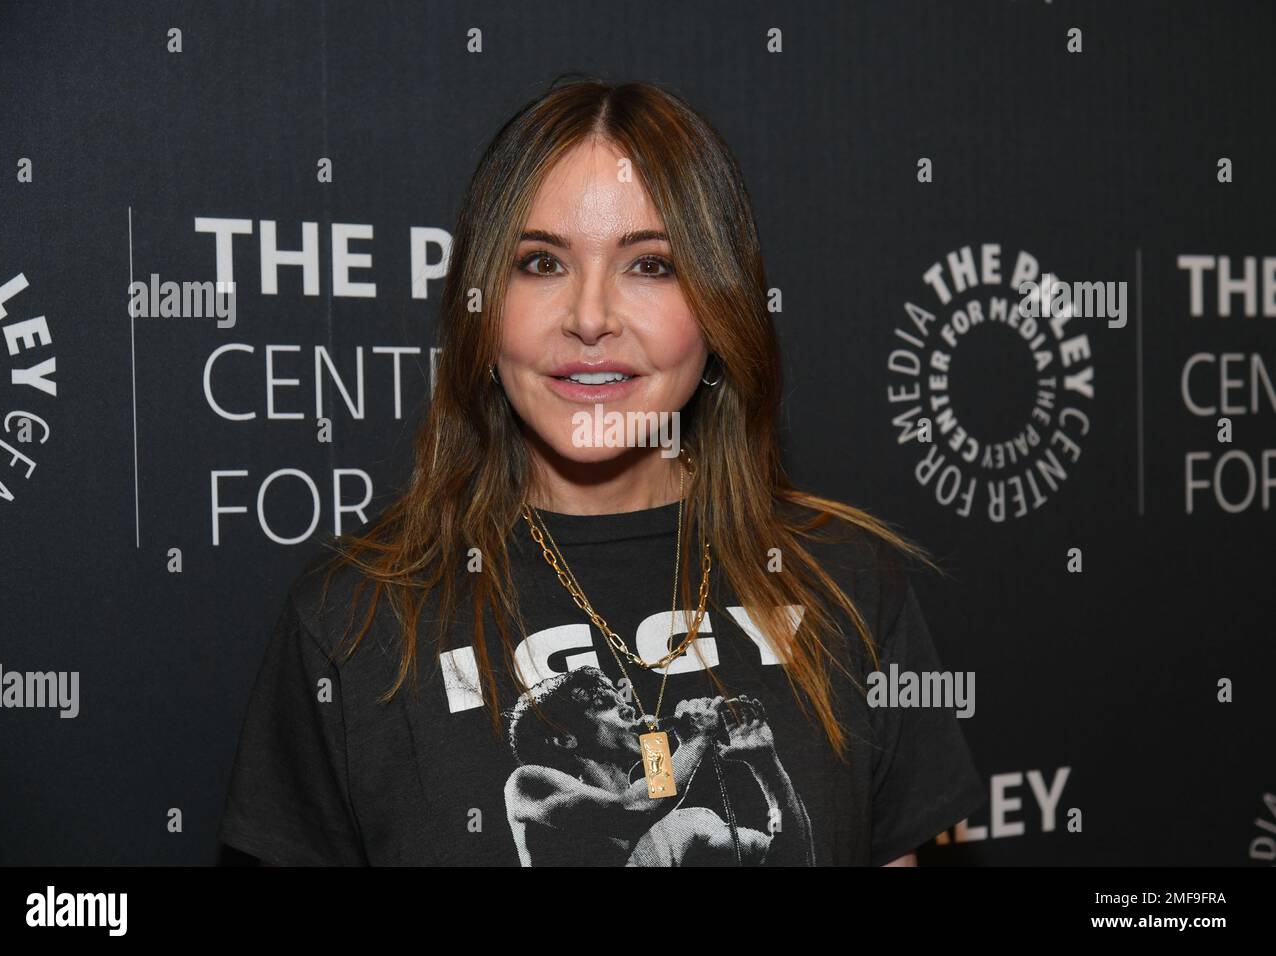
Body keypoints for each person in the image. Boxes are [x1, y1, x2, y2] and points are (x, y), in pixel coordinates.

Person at [217, 75, 986, 867]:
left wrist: (749, 763)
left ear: (723, 307)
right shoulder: (357, 620)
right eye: (541, 262)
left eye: (650, 265)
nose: (589, 317)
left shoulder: (847, 586)